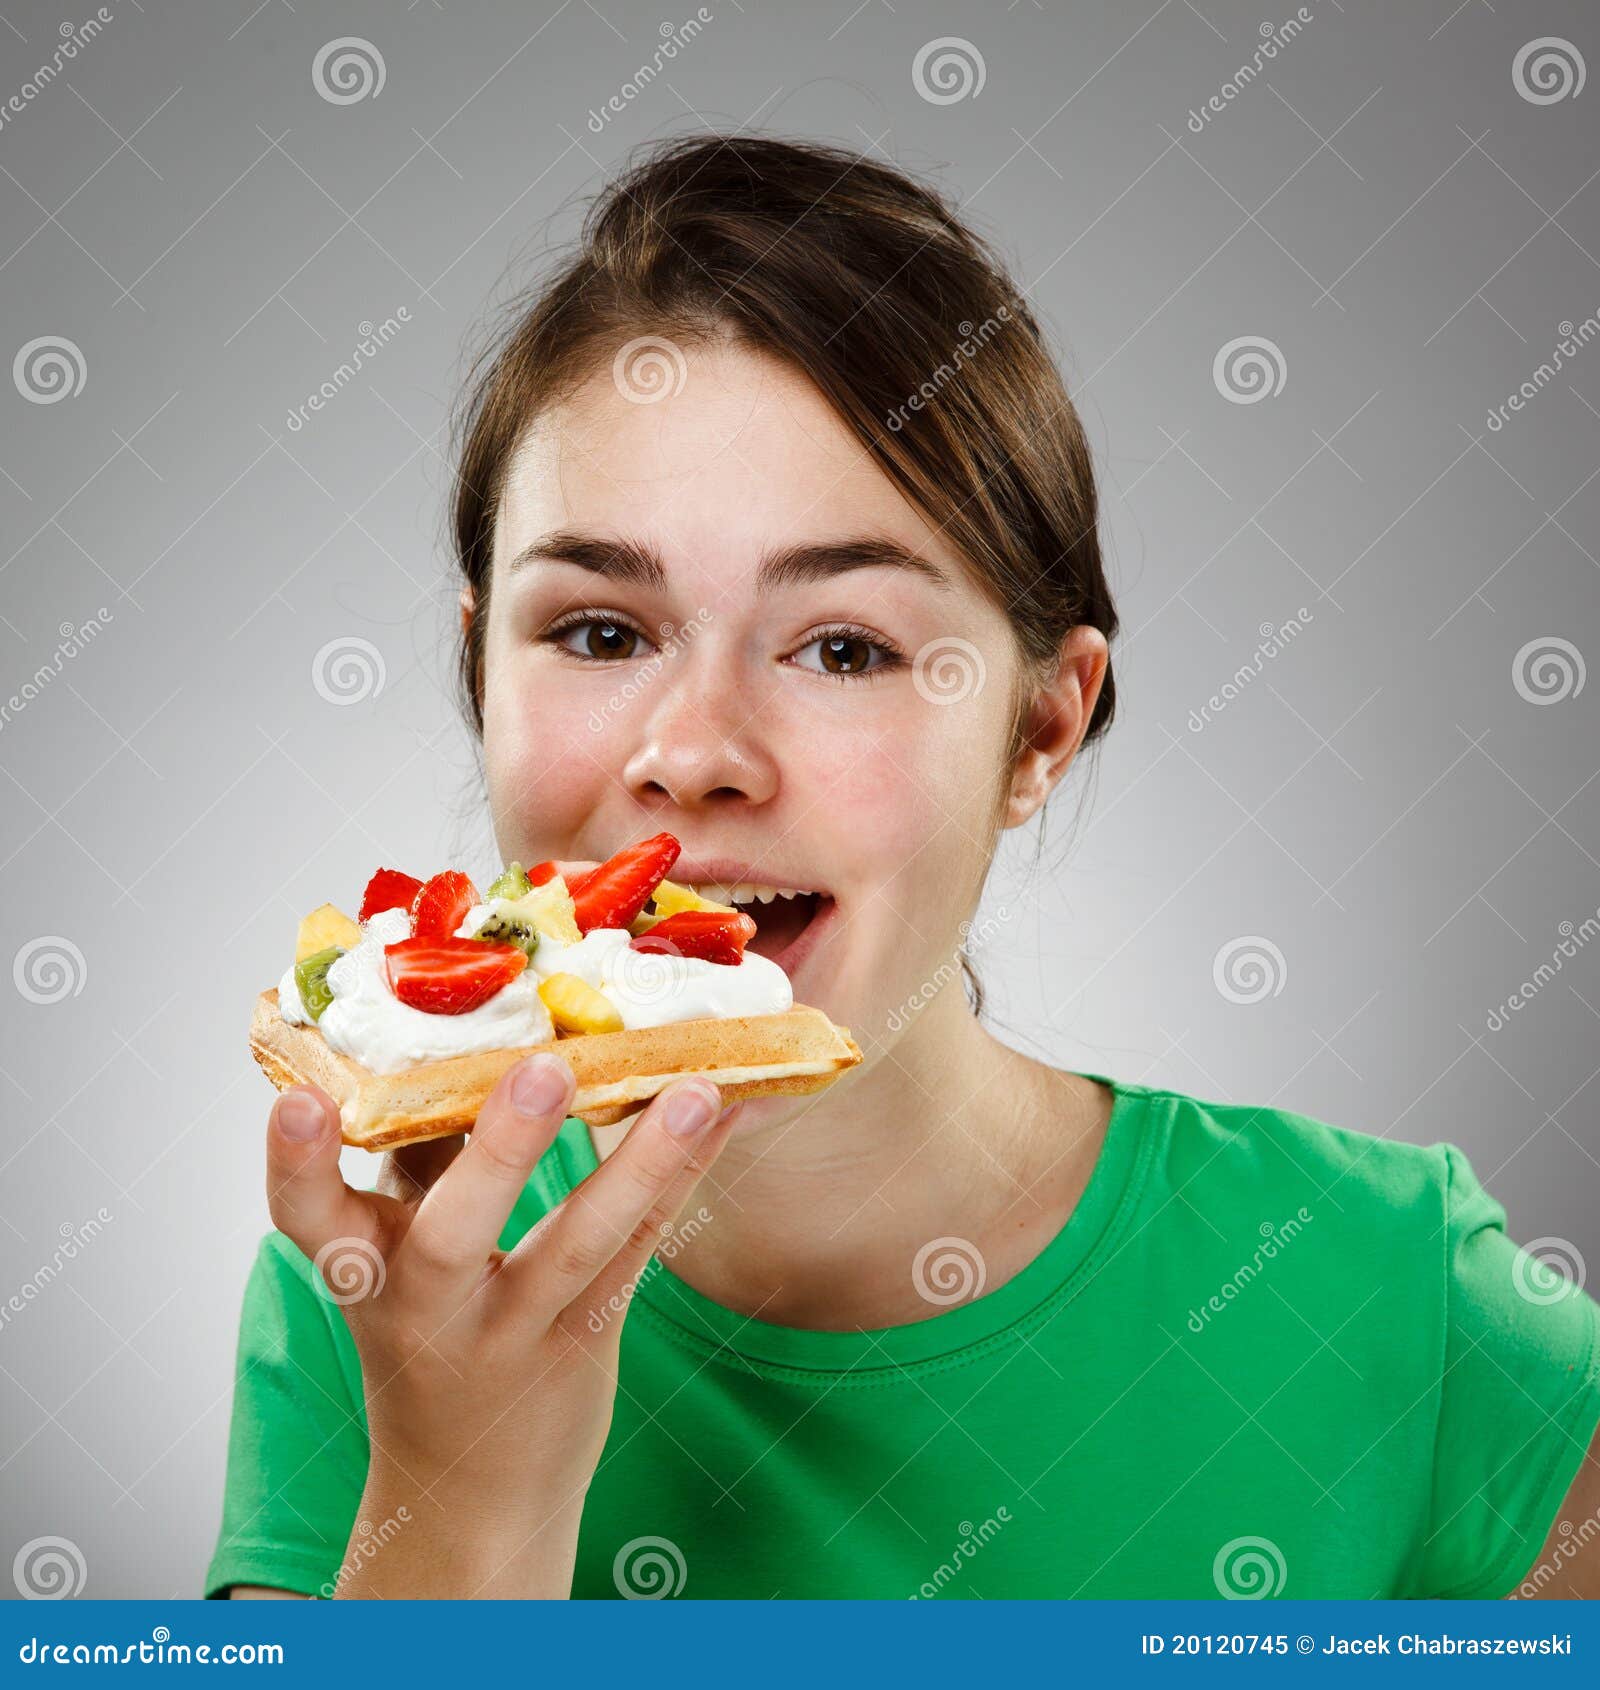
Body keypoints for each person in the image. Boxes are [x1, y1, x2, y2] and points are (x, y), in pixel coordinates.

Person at [207, 134, 1600, 1601]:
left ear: (1039, 727)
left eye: (845, 647)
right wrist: (462, 1490)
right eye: (603, 632)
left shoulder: (1390, 1293)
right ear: (480, 673)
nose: (695, 751)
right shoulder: (391, 1274)